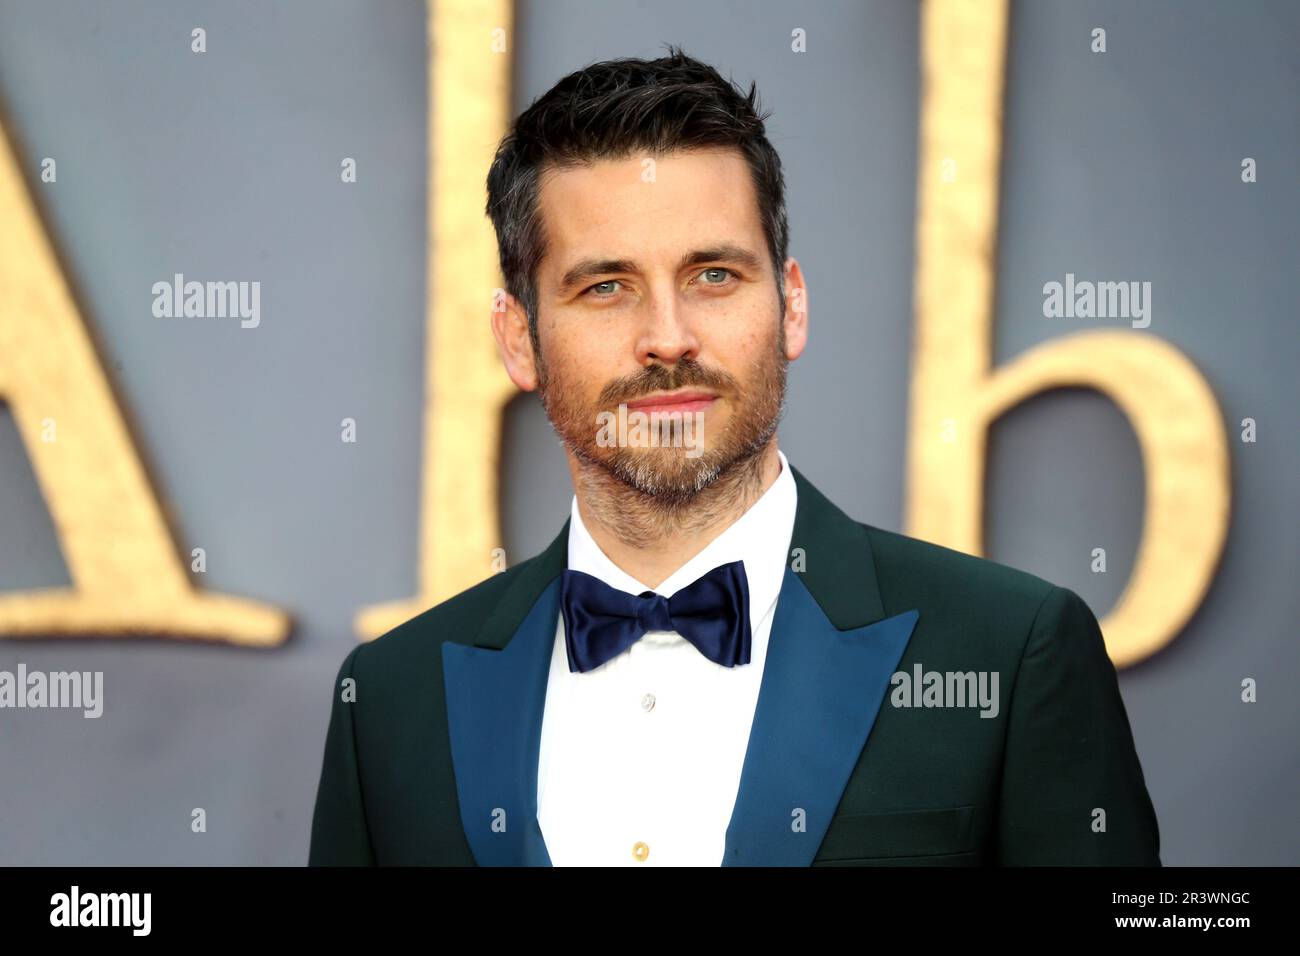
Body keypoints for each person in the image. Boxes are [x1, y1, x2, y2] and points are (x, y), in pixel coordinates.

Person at [309, 47, 1160, 866]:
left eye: (714, 275)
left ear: (791, 305)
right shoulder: (388, 701)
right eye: (605, 287)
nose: (668, 339)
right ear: (519, 338)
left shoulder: (1008, 655)